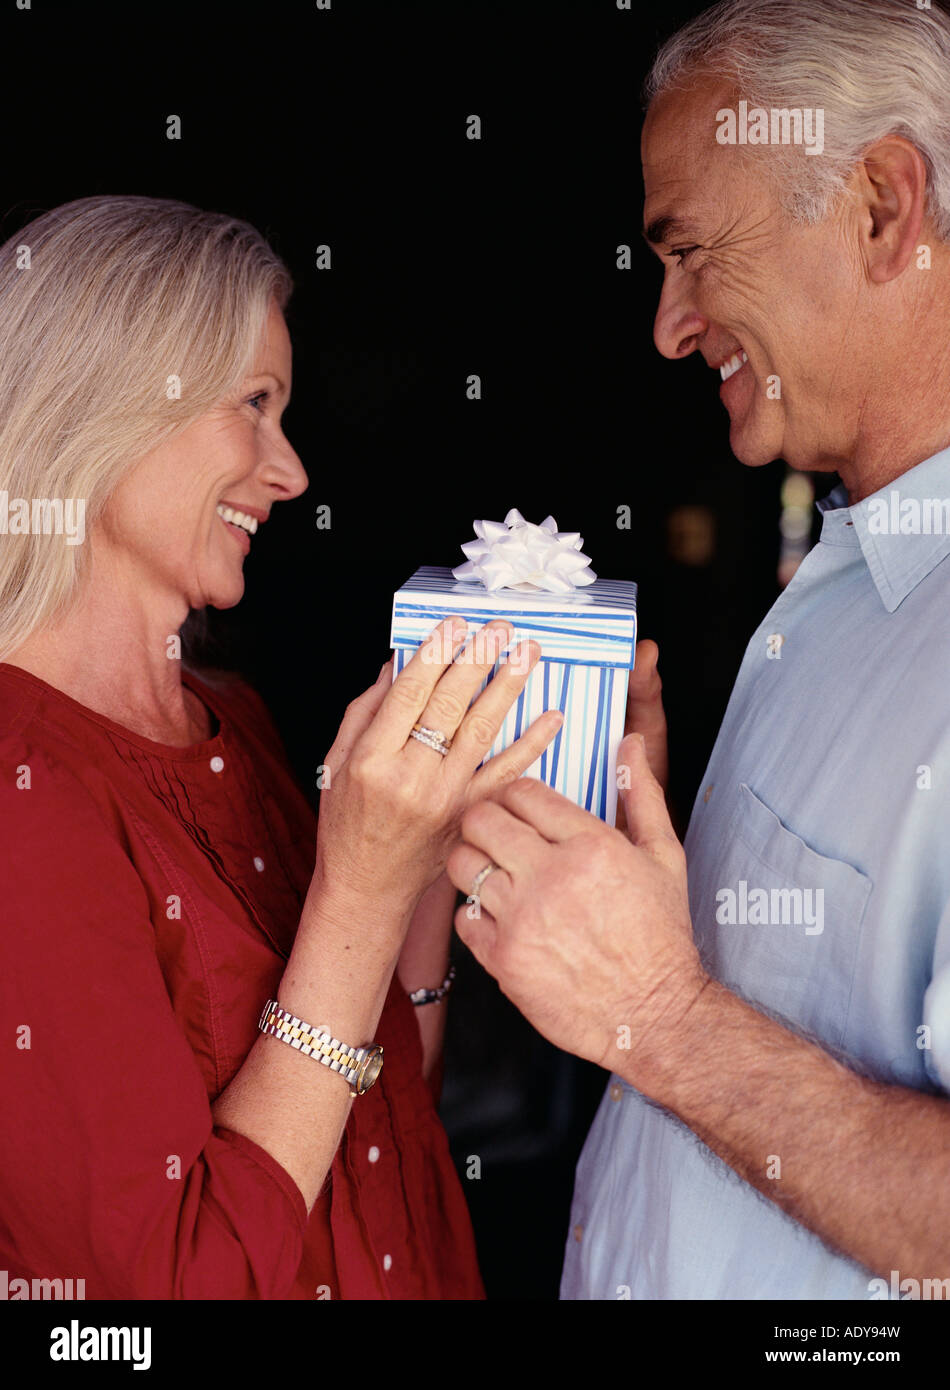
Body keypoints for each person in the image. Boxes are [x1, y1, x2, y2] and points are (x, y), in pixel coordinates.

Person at [446, 0, 950, 1299]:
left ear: (884, 208)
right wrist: (642, 836)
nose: (670, 326)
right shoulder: (845, 578)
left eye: (692, 253)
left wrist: (659, 1018)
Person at [0, 194, 563, 1299]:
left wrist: (421, 856)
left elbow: (382, 1095)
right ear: (106, 400)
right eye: (253, 404)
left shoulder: (233, 717)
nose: (290, 471)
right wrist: (356, 884)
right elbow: (161, 1285)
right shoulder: (25, 789)